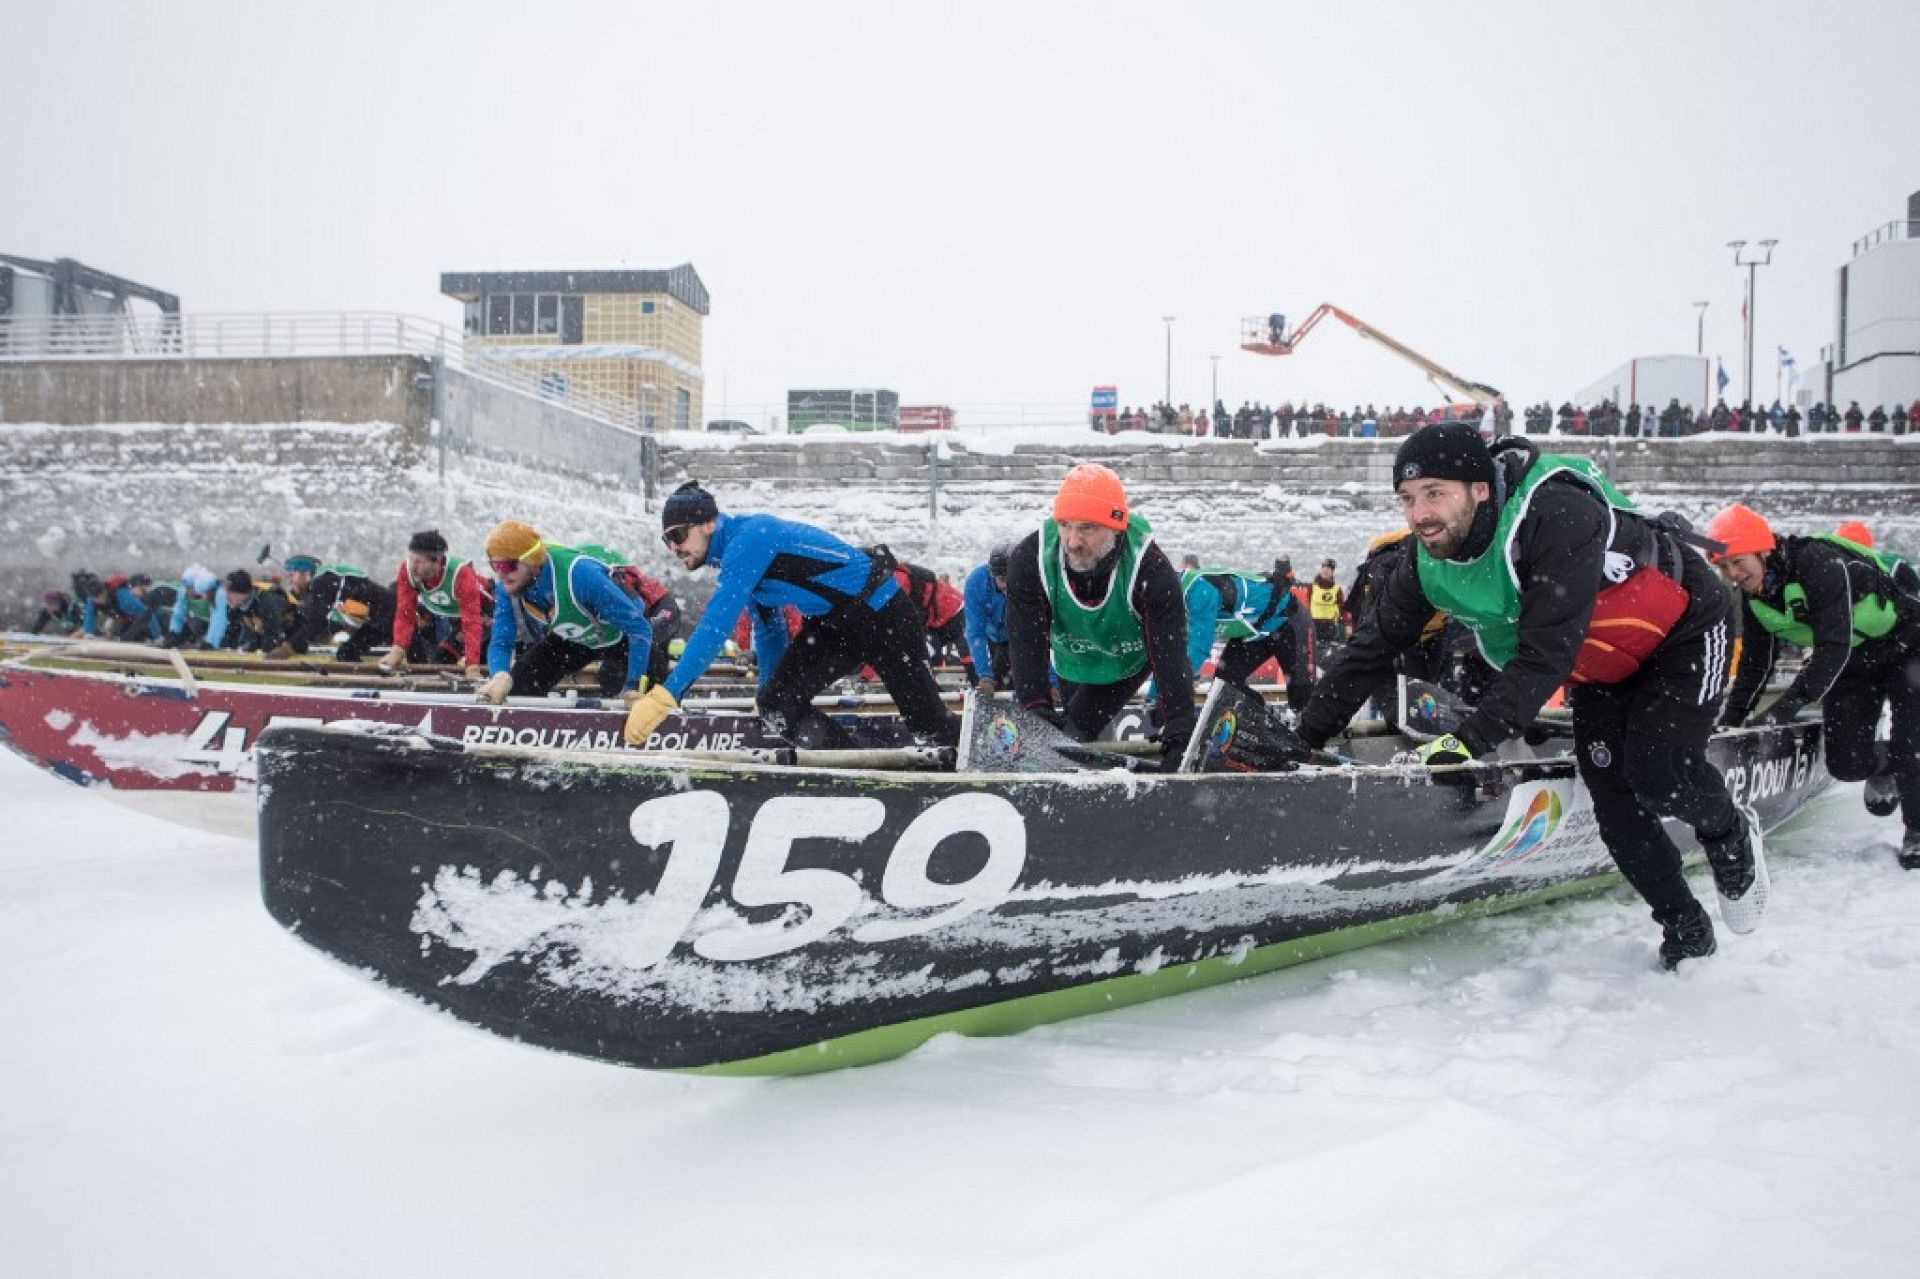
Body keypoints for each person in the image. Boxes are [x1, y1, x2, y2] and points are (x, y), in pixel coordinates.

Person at [1295, 422, 1764, 968]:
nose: (1420, 513)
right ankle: (1686, 928)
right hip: (1601, 660)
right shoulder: (1423, 559)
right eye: (1407, 499)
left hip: (1679, 634)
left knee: (1657, 770)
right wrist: (1305, 737)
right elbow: (1370, 648)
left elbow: (1544, 658)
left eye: (1435, 494)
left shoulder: (1556, 513)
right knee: (1615, 805)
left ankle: (1729, 831)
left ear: (1481, 490)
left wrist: (1469, 741)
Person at [624, 482, 958, 750]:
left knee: (929, 726)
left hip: (883, 615)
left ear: (709, 523)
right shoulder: (735, 557)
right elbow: (769, 629)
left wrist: (667, 695)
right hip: (834, 625)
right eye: (667, 540)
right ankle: (847, 773)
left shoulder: (749, 539)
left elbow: (715, 625)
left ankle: (996, 747)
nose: (674, 549)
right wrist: (768, 693)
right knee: (777, 706)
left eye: (678, 535)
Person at [1709, 504, 1920, 870]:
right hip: (1853, 663)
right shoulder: (1755, 595)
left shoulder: (1818, 562)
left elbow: (1832, 646)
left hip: (1907, 647)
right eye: (1724, 568)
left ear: (1763, 549)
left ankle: (1916, 830)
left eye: (1738, 562)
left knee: (1912, 745)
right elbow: (1756, 664)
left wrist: (1787, 707)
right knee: (1847, 763)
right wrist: (1733, 719)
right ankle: (1886, 764)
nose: (1733, 574)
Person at [1004, 463, 1196, 767]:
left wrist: (1180, 727)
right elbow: (1026, 642)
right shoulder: (1031, 560)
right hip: (1073, 659)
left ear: (1115, 527)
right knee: (1058, 741)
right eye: (1065, 525)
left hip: (1125, 661)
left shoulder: (1151, 569)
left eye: (1086, 528)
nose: (1072, 542)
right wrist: (1035, 710)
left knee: (1073, 733)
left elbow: (1169, 655)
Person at [476, 520, 654, 705]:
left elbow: (639, 629)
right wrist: (499, 674)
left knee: (627, 690)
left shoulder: (580, 574)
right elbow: (501, 641)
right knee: (519, 684)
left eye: (507, 566)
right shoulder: (509, 586)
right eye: (494, 566)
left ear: (532, 560)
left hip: (623, 638)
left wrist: (633, 685)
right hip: (576, 639)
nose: (500, 574)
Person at [1180, 563, 1311, 708]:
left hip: (1290, 623)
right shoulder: (1182, 609)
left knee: (1301, 694)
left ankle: (1296, 720)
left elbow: (1199, 647)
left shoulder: (1200, 596)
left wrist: (1181, 680)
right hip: (1255, 632)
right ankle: (1263, 716)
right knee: (1224, 684)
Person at [380, 529, 494, 679]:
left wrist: (472, 665)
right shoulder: (407, 571)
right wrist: (398, 649)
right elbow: (405, 614)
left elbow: (471, 622)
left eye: (419, 562)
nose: (413, 567)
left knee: (443, 658)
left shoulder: (462, 575)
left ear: (437, 561)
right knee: (440, 661)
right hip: (457, 616)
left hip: (486, 613)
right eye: (411, 559)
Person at [964, 543, 1013, 693]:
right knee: (995, 678)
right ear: (993, 574)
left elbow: (1037, 633)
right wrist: (984, 674)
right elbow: (975, 632)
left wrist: (1051, 679)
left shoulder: (1026, 582)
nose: (1006, 585)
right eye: (1002, 579)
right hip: (995, 636)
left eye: (1010, 579)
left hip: (1019, 636)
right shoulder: (976, 582)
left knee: (1024, 681)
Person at [219, 569, 298, 654]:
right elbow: (231, 632)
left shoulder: (268, 601)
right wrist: (224, 649)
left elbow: (273, 634)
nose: (226, 597)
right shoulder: (235, 604)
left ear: (242, 594)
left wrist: (263, 653)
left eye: (230, 593)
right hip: (269, 633)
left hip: (297, 636)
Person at [165, 565, 226, 649]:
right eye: (186, 587)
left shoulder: (214, 594)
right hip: (200, 624)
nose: (187, 591)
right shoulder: (183, 592)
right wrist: (173, 632)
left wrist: (211, 642)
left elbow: (219, 620)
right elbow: (178, 614)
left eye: (190, 588)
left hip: (218, 625)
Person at [1307, 558, 1348, 673]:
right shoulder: (1312, 587)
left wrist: (1346, 625)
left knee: (1329, 654)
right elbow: (1307, 605)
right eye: (1324, 568)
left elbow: (1342, 609)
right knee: (1314, 653)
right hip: (1314, 625)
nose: (1325, 570)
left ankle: (1327, 673)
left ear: (1332, 572)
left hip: (1330, 627)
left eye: (1329, 569)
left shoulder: (1336, 589)